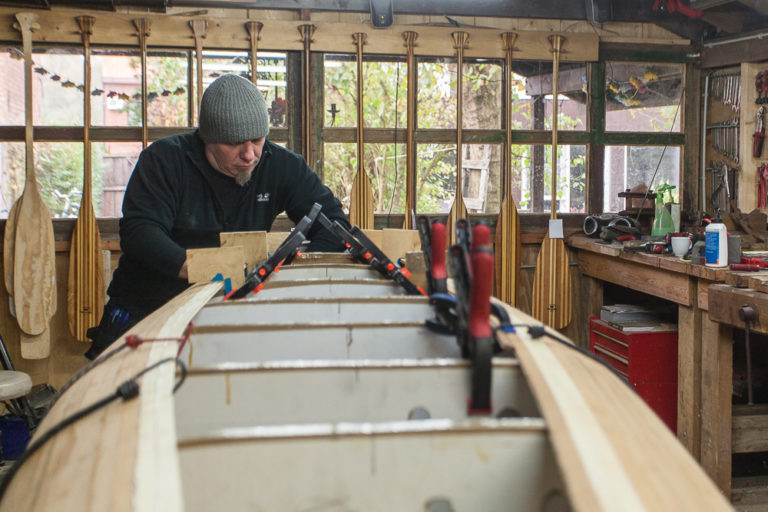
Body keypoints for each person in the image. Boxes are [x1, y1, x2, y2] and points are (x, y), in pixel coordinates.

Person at [85, 74, 349, 359]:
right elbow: (140, 232)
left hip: (228, 313)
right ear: (207, 139)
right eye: (235, 143)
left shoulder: (281, 166)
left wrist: (289, 276)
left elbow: (334, 226)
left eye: (258, 140)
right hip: (148, 308)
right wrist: (197, 267)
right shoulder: (164, 160)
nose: (249, 155)